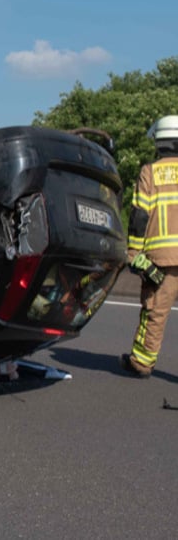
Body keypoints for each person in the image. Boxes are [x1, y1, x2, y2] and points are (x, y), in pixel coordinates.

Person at [122, 115, 178, 378]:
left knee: (154, 312)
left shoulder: (150, 172)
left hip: (162, 259)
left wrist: (134, 253)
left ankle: (142, 363)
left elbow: (139, 216)